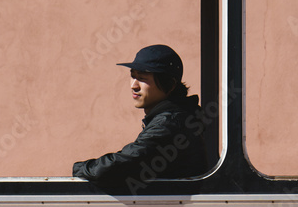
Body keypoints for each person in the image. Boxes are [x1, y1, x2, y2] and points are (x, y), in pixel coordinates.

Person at [72, 44, 207, 192]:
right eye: (133, 76)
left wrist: (80, 168)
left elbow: (119, 166)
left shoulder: (170, 123)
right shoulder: (175, 117)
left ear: (170, 84)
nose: (133, 86)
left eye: (142, 78)